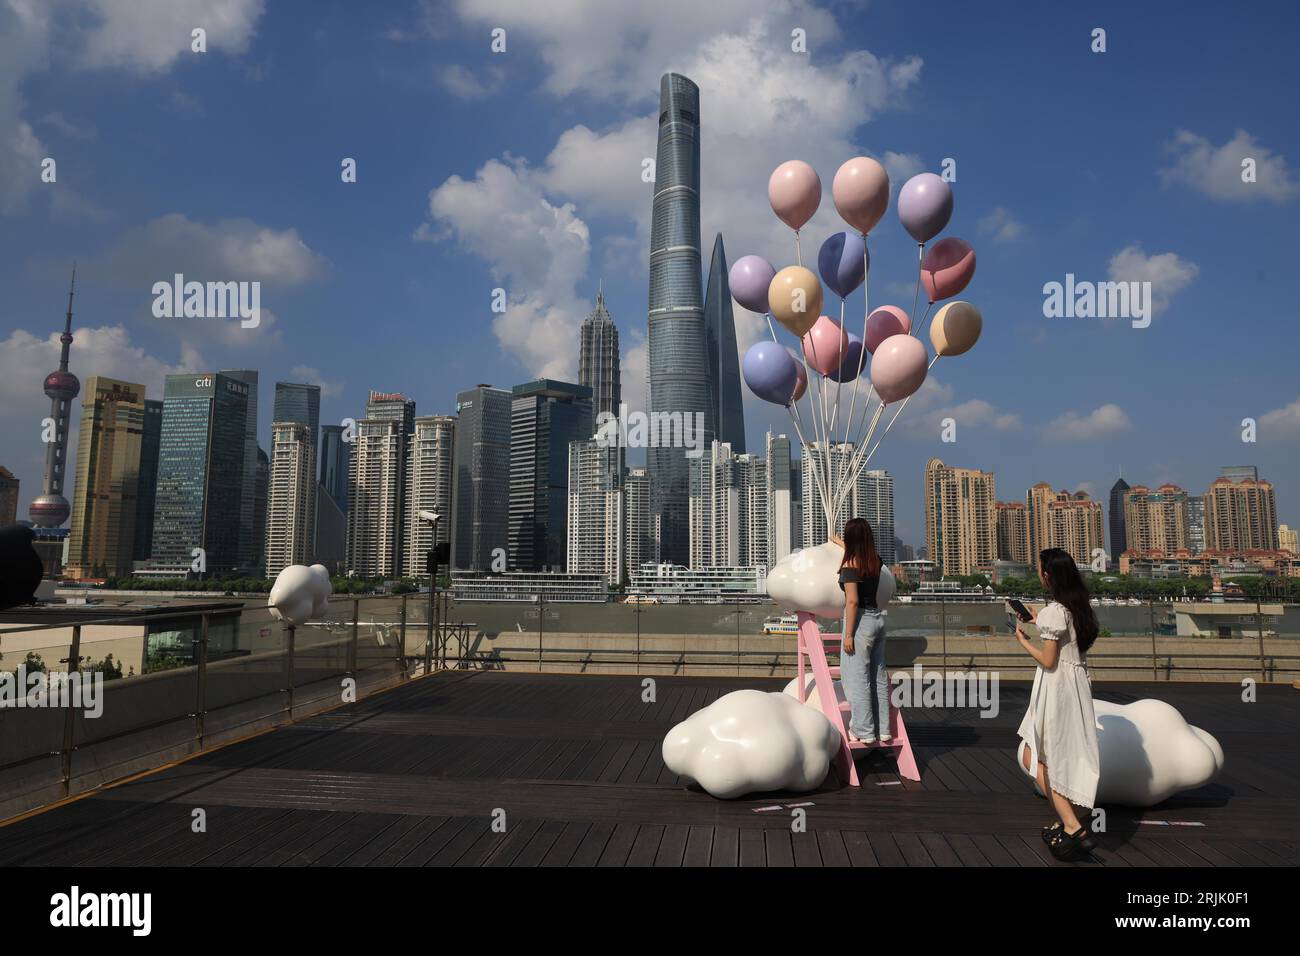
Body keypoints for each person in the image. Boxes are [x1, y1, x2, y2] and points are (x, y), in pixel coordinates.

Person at [1015, 548, 1101, 861]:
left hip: (1056, 689)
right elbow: (1066, 646)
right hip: (1077, 686)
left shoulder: (1055, 611)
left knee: (1034, 754)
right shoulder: (1077, 608)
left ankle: (1072, 825)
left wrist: (1025, 642)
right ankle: (1068, 821)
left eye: (1040, 569)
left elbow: (1050, 660)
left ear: (1048, 575)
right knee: (1064, 755)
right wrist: (1040, 621)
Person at [830, 519, 890, 744]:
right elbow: (860, 559)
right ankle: (884, 729)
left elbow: (852, 602)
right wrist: (843, 546)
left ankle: (863, 731)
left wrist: (848, 635)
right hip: (878, 620)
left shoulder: (849, 567)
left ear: (851, 538)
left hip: (860, 624)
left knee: (857, 679)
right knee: (879, 677)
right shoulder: (875, 560)